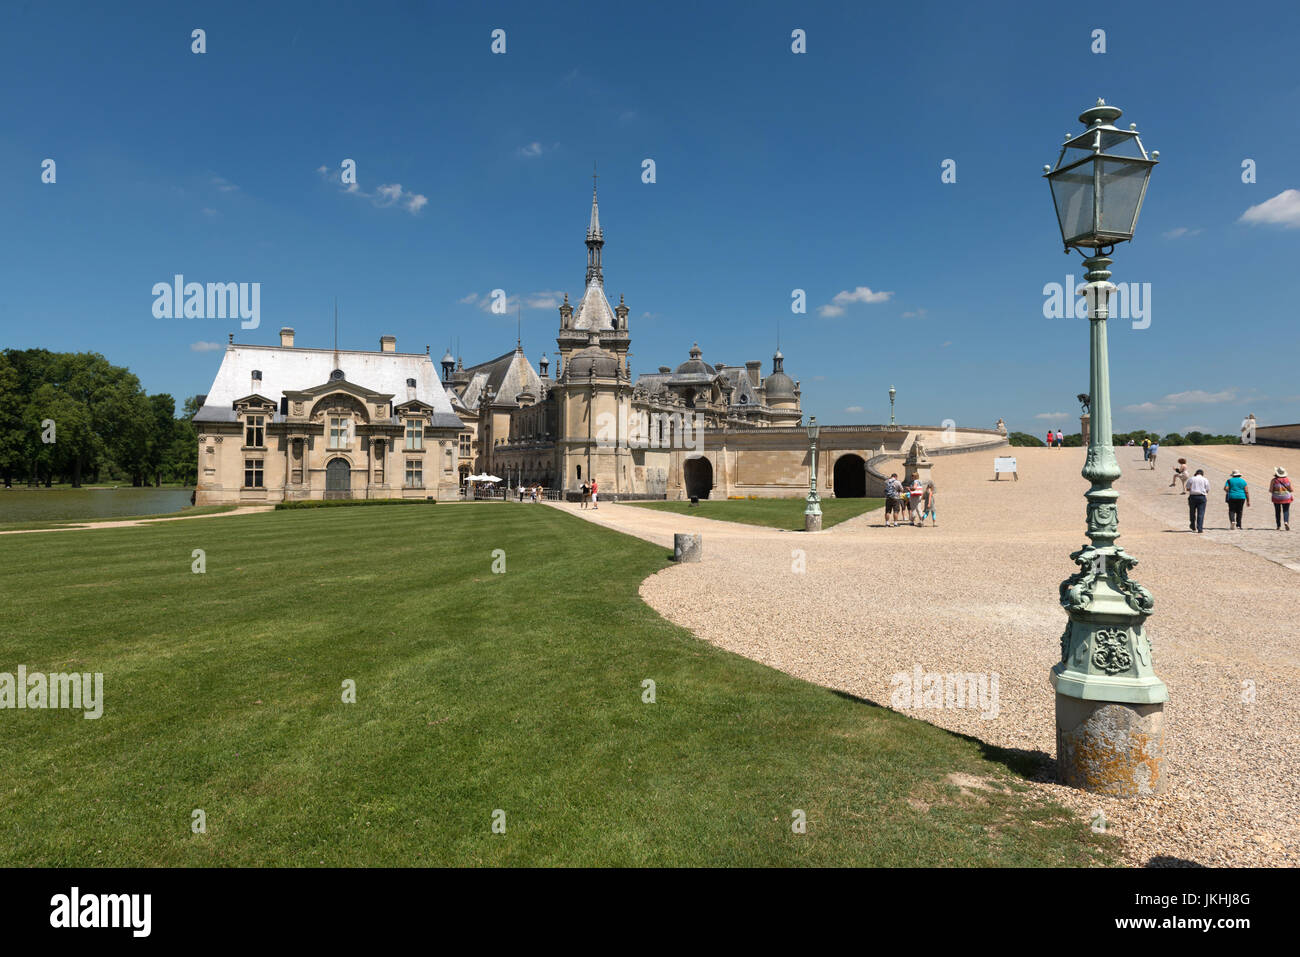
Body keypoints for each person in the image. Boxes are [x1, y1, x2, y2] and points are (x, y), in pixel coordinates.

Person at [1186, 468, 1209, 533]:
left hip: (1192, 497)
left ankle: (1193, 525)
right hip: (1202, 497)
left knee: (1192, 512)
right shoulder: (1205, 479)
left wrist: (1192, 489)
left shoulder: (1191, 479)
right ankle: (1200, 528)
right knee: (1201, 513)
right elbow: (1207, 489)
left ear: (1196, 473)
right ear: (1202, 474)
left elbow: (1187, 488)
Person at [1269, 466, 1293, 531]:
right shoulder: (1287, 479)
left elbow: (1271, 490)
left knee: (1277, 511)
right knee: (1286, 510)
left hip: (1276, 497)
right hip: (1286, 497)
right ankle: (1286, 522)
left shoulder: (1274, 480)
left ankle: (1278, 526)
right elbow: (1291, 489)